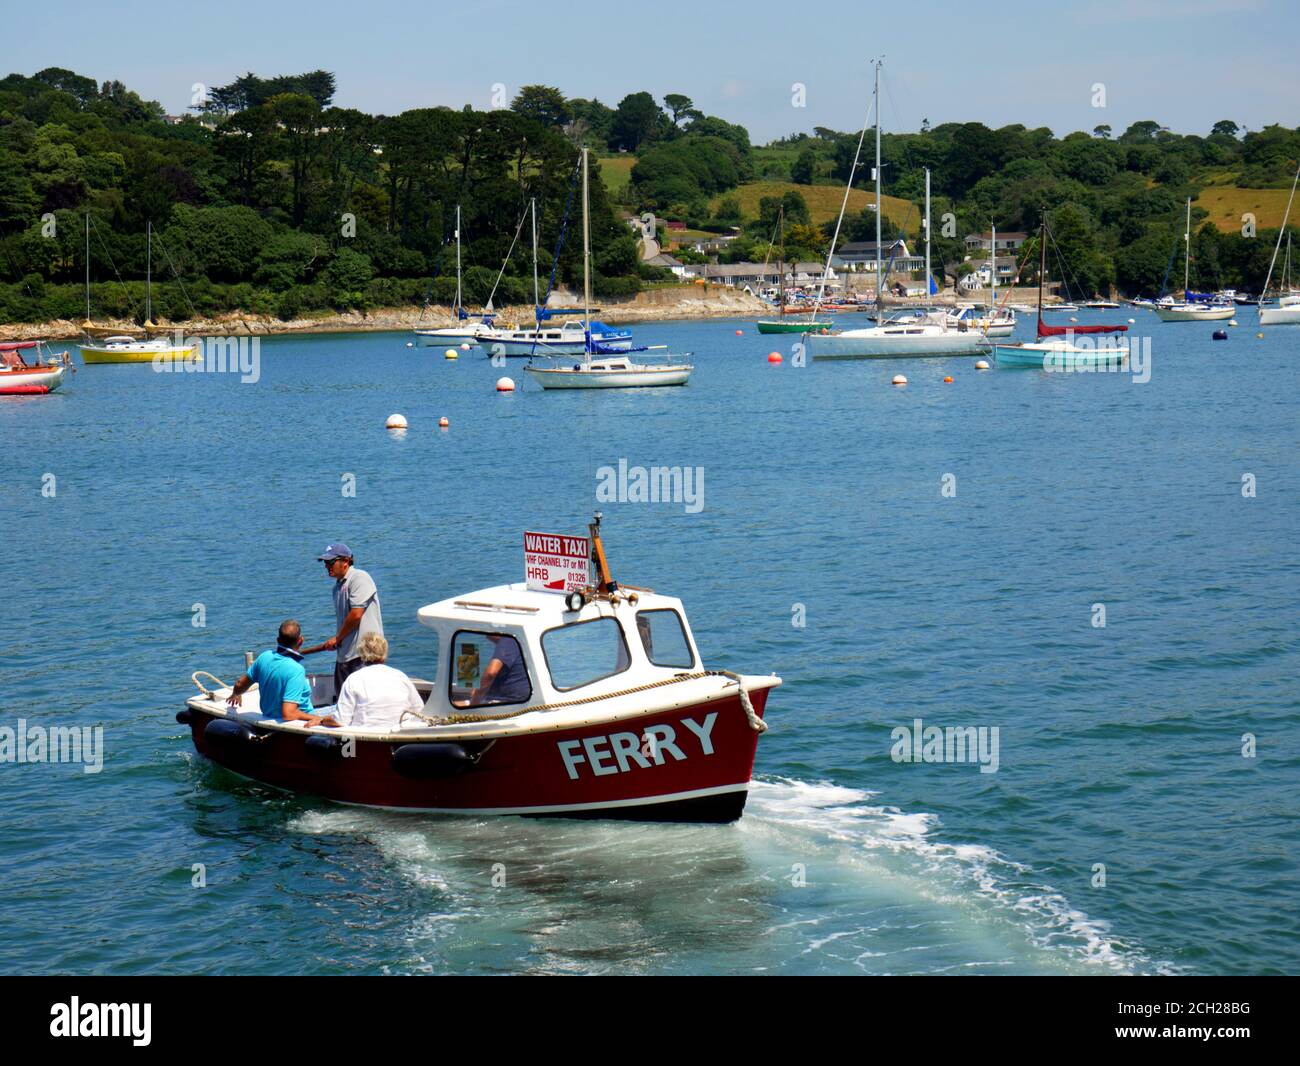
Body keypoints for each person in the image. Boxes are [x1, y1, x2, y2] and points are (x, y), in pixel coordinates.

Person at [303, 543, 384, 701]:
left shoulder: (359, 578)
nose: (327, 566)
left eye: (330, 562)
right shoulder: (337, 588)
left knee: (365, 701)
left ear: (346, 561)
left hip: (364, 654)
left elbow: (356, 614)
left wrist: (337, 638)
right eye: (325, 562)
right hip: (345, 655)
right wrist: (338, 641)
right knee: (344, 702)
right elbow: (345, 622)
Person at [227, 620, 339, 727]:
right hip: (303, 719)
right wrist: (317, 719)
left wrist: (236, 694)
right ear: (301, 640)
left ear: (278, 640)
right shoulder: (296, 669)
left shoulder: (264, 657)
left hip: (269, 716)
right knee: (343, 709)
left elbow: (239, 684)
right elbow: (288, 714)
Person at [335, 633, 426, 730]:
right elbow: (420, 710)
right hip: (400, 734)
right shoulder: (401, 676)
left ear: (361, 654)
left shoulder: (353, 679)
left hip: (367, 737)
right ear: (384, 652)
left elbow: (341, 721)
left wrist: (323, 720)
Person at [468, 633, 530, 706]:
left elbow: (490, 673)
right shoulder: (512, 642)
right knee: (467, 649)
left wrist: (474, 702)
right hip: (511, 697)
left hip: (506, 700)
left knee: (455, 707)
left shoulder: (507, 640)